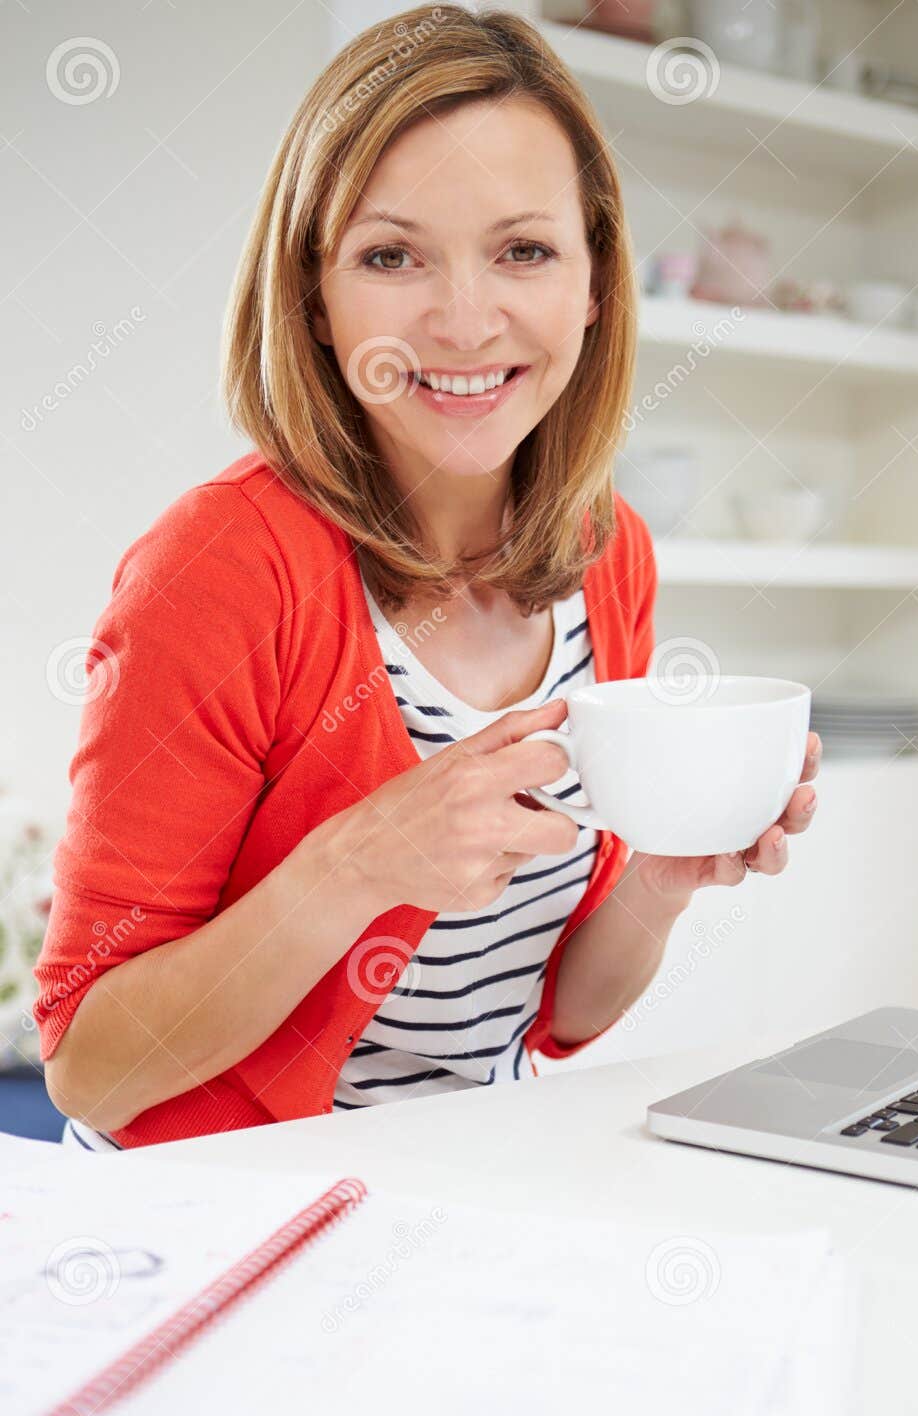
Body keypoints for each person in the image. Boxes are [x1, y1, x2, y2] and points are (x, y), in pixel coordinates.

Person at [33, 5, 819, 1151]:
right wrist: (355, 865)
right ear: (313, 295)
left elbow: (555, 1017)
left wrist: (657, 883)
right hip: (222, 1220)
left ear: (595, 283)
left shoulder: (609, 554)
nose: (462, 319)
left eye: (523, 250)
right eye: (391, 255)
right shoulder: (218, 570)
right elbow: (89, 1068)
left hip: (465, 1188)